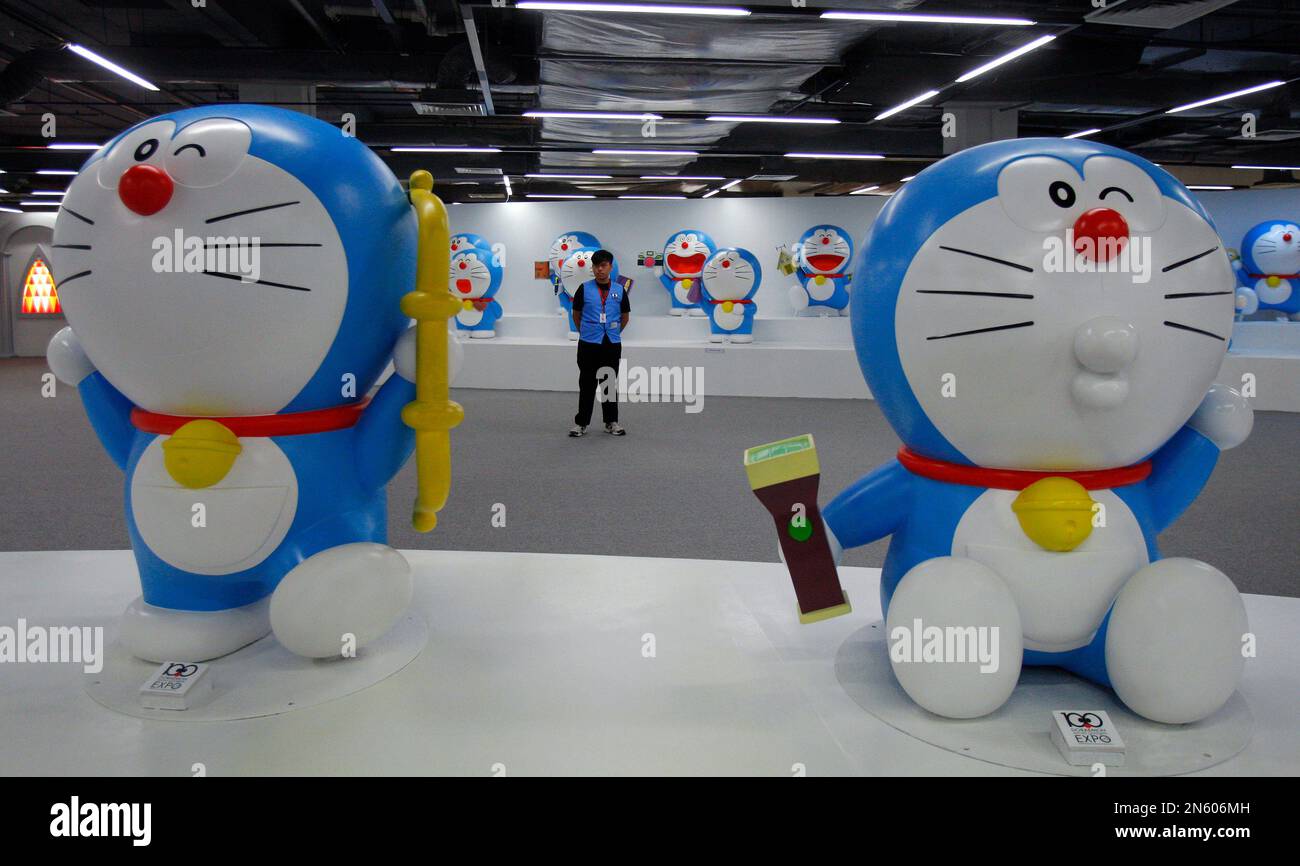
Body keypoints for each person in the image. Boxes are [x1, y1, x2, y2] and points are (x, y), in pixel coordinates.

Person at [570, 249, 629, 436]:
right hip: (588, 343)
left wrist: (612, 332)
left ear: (610, 267)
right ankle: (581, 423)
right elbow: (576, 315)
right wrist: (588, 332)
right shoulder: (584, 288)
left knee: (609, 383)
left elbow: (625, 317)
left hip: (611, 344)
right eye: (596, 266)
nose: (599, 270)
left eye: (603, 265)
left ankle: (611, 421)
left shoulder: (620, 290)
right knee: (586, 383)